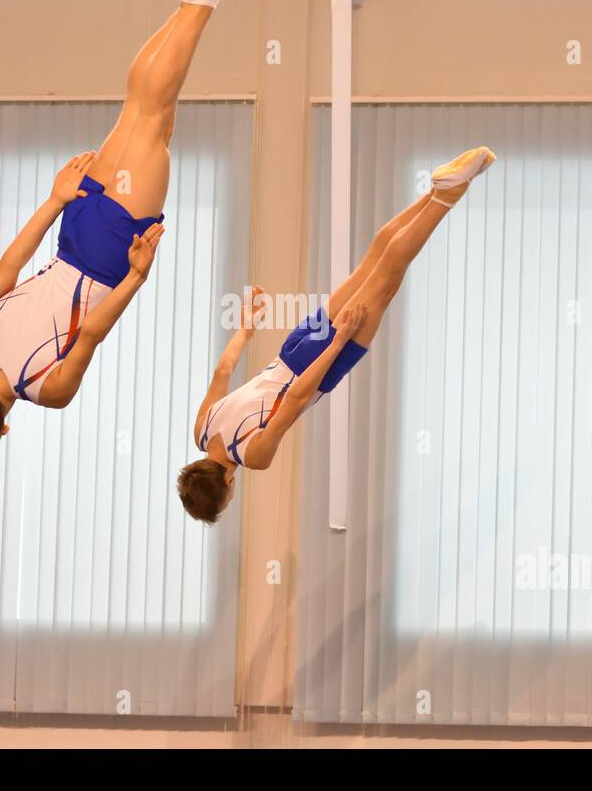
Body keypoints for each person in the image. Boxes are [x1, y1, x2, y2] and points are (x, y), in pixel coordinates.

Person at [0, 0, 251, 463]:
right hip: (71, 229)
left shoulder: (49, 391)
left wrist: (136, 276)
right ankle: (188, 4)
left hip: (108, 258)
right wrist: (55, 199)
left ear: (2, 434)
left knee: (152, 119)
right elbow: (10, 264)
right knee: (143, 110)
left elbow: (91, 330)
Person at [178, 146, 496, 521]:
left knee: (388, 275)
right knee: (372, 263)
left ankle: (447, 195)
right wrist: (246, 330)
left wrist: (339, 341)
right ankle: (433, 192)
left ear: (227, 486)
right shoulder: (201, 430)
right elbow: (222, 372)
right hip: (291, 349)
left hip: (318, 365)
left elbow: (296, 398)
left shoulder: (253, 456)